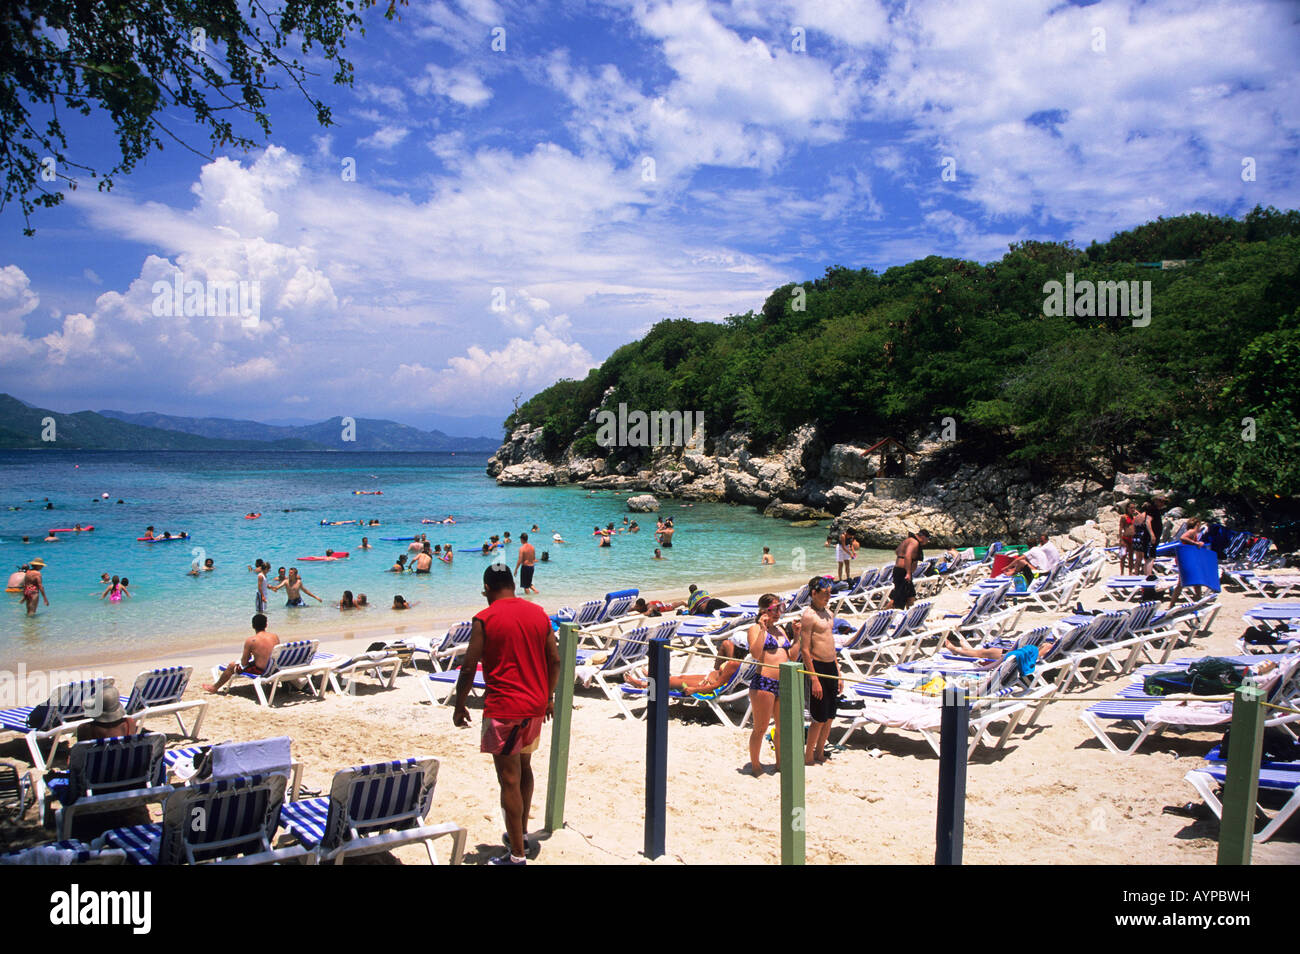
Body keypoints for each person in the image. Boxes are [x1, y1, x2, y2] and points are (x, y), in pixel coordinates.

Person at [452, 565, 560, 866]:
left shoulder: (485, 618)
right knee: (525, 767)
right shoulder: (539, 613)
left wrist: (459, 705)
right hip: (535, 707)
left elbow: (469, 666)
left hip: (505, 709)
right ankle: (521, 834)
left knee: (509, 780)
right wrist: (548, 697)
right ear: (514, 584)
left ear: (486, 588)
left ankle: (516, 856)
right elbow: (555, 660)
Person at [747, 594, 794, 776]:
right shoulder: (755, 629)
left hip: (784, 682)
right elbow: (756, 654)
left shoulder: (781, 630)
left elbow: (792, 657)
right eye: (774, 609)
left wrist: (797, 637)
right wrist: (762, 628)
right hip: (764, 683)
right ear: (763, 611)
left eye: (780, 609)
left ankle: (780, 763)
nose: (778, 613)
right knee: (760, 728)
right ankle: (756, 765)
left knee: (782, 728)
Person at [800, 578, 841, 765]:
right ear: (814, 593)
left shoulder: (829, 614)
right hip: (818, 667)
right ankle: (809, 756)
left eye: (829, 593)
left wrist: (839, 673)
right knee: (818, 717)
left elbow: (832, 647)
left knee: (830, 716)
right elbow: (805, 650)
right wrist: (814, 679)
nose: (828, 597)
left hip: (831, 666)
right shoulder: (809, 616)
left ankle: (820, 753)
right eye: (824, 593)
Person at [205, 614, 281, 693]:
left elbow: (244, 662)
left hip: (261, 671)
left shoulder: (251, 640)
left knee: (231, 666)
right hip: (274, 668)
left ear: (253, 626)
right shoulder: (274, 637)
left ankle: (214, 688)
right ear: (266, 624)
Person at [624, 659, 741, 694]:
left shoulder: (733, 664)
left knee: (673, 683)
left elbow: (716, 686)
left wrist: (694, 690)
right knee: (682, 677)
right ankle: (651, 681)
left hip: (704, 685)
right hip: (706, 678)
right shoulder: (743, 661)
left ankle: (644, 684)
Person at [1169, 518, 1209, 604]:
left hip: (1187, 558)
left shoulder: (1193, 532)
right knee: (1181, 582)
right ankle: (1171, 604)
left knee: (1196, 580)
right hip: (1185, 558)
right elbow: (1182, 538)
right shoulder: (1192, 531)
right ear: (1197, 524)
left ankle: (1199, 599)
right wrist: (1196, 543)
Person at [886, 530, 929, 609]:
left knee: (911, 595)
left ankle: (908, 614)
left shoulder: (907, 540)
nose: (927, 541)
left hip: (901, 570)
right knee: (898, 597)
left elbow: (897, 551)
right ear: (923, 537)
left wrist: (901, 557)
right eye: (927, 539)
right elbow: (907, 555)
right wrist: (908, 572)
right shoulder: (914, 542)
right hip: (903, 572)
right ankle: (884, 615)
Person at [1134, 497, 1168, 577]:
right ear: (1156, 501)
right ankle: (1148, 575)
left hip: (1146, 537)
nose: (1163, 504)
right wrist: (1152, 535)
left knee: (1147, 557)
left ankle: (1146, 574)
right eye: (1162, 501)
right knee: (1150, 557)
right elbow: (1148, 522)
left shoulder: (1154, 510)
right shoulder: (1153, 510)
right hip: (1149, 538)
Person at [1119, 502, 1138, 574]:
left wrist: (1137, 513)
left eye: (1134, 508)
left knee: (1131, 556)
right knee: (1123, 556)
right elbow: (1120, 528)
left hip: (1132, 539)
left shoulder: (1135, 517)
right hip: (1125, 538)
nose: (1133, 509)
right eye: (1131, 508)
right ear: (1127, 508)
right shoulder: (1124, 517)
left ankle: (1130, 572)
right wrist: (1121, 540)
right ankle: (1122, 573)